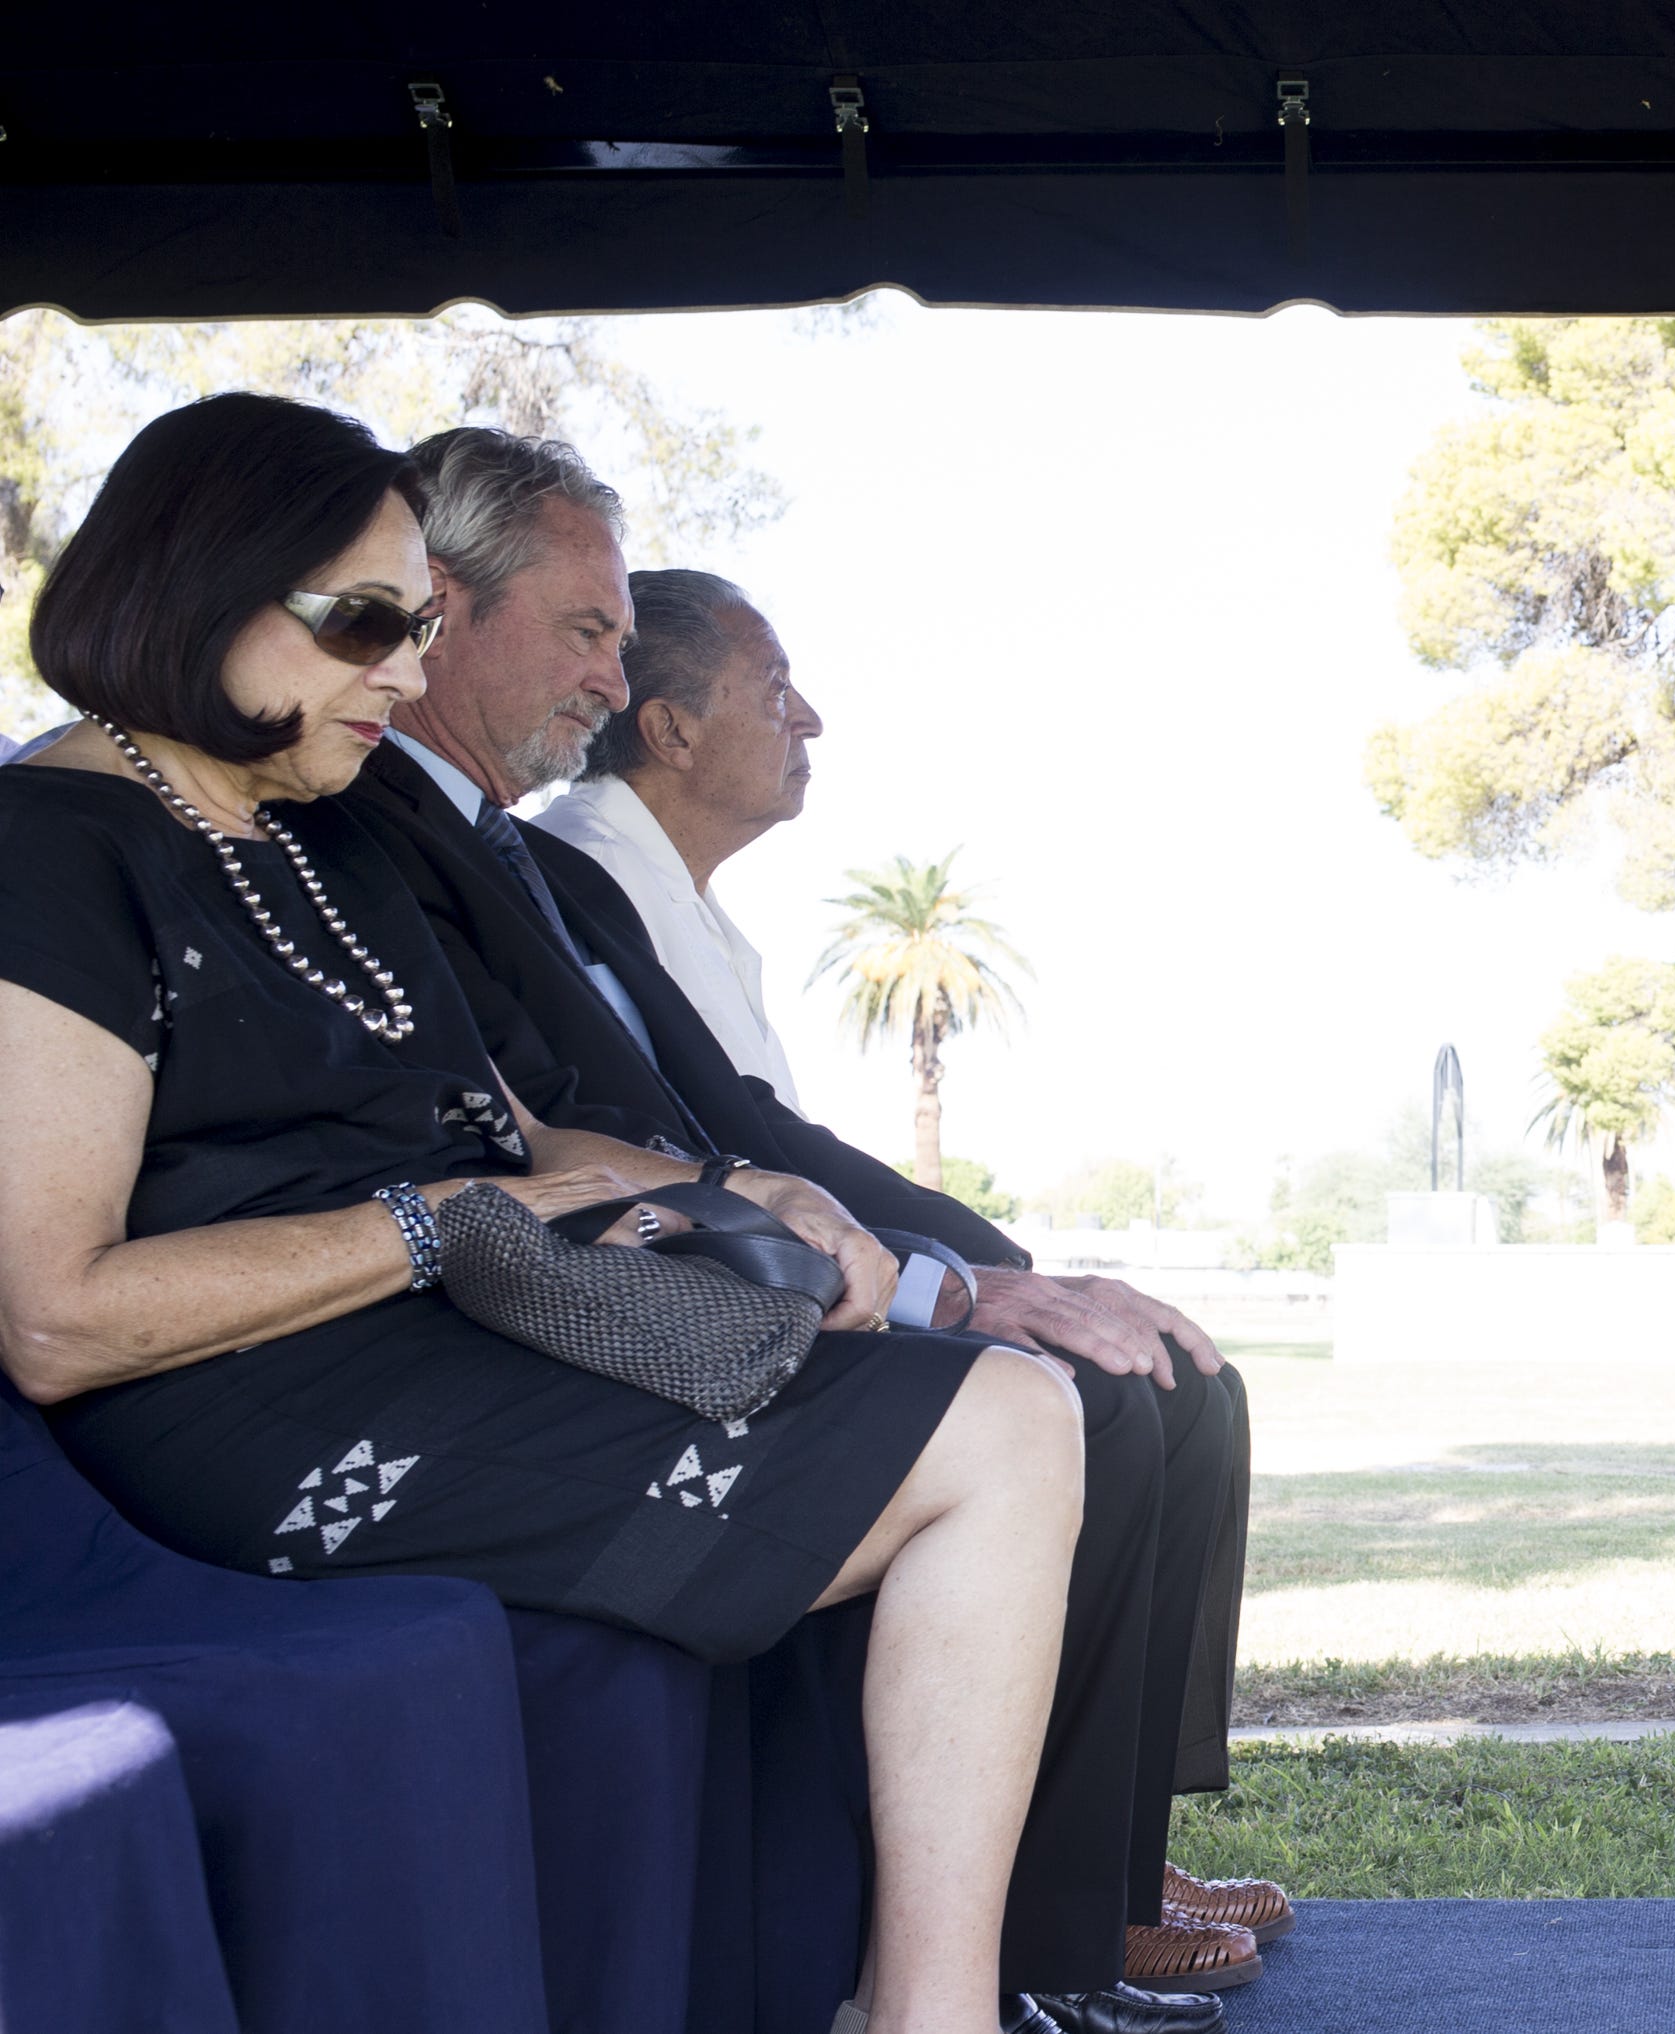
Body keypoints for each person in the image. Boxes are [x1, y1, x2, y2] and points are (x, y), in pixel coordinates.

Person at [0, 391, 1083, 2034]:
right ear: (197, 584)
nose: (406, 670)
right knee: (985, 1440)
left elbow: (514, 1132)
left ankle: (921, 2004)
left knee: (1009, 1404)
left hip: (469, 1310)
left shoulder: (314, 839)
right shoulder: (49, 848)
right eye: (366, 622)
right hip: (253, 1401)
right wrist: (438, 1220)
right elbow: (58, 1315)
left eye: (424, 624)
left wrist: (736, 1191)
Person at [331, 429, 1269, 2032]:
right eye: (587, 633)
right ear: (440, 606)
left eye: (625, 641)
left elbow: (704, 1123)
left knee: (1118, 1378)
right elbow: (548, 1142)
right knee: (1059, 1408)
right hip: (547, 1316)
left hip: (654, 1264)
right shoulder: (399, 834)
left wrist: (985, 1271)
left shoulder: (500, 847)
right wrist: (946, 1288)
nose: (612, 679)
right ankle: (1008, 1959)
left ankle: (1057, 1911)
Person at [531, 568, 811, 1103]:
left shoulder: (662, 884)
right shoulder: (582, 881)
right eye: (777, 690)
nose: (809, 720)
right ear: (671, 732)